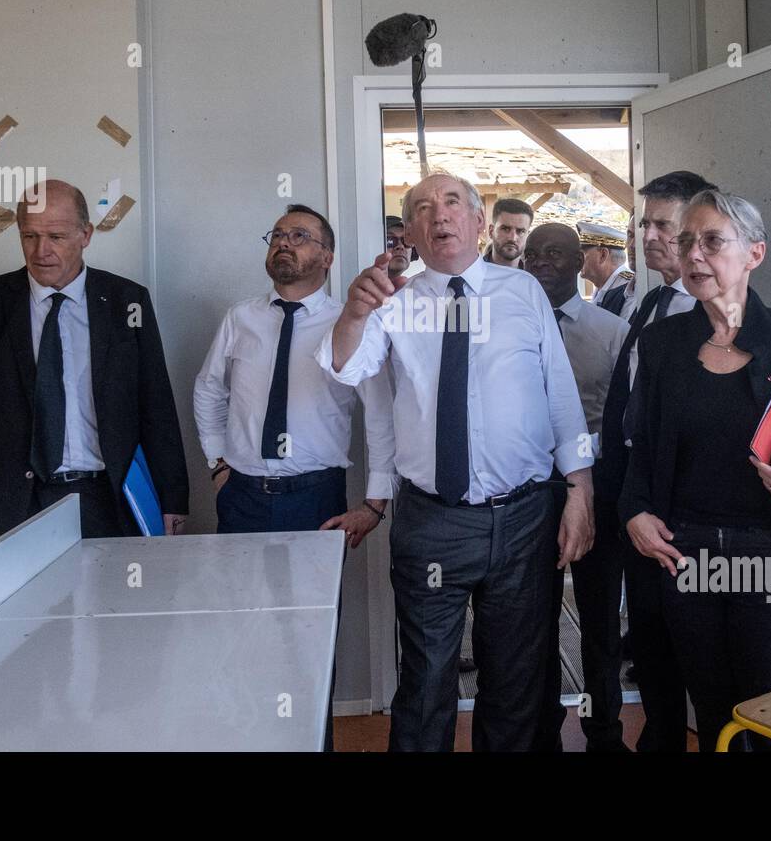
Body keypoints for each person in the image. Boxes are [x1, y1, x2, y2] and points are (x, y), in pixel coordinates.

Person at [319, 171, 595, 752]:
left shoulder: (523, 293)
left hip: (524, 519)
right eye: (422, 207)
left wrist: (580, 491)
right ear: (411, 232)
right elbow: (346, 367)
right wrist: (353, 314)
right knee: (425, 681)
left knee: (515, 683)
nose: (438, 214)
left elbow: (560, 394)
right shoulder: (394, 301)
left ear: (477, 222)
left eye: (451, 203)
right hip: (433, 523)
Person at [618, 188, 771, 751]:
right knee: (715, 719)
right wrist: (634, 511)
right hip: (688, 557)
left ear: (755, 254)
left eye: (712, 241)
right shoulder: (662, 344)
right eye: (686, 242)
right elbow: (642, 447)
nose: (694, 254)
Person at [0, 180, 189, 561]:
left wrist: (173, 499)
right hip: (14, 506)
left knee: (114, 598)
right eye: (30, 236)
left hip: (108, 500)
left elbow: (157, 408)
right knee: (24, 603)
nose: (41, 251)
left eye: (56, 236)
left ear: (86, 235)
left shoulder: (127, 302)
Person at [194, 204, 395, 540]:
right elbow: (210, 388)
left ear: (327, 257)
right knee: (237, 578)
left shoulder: (350, 323)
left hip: (316, 498)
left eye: (299, 236)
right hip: (241, 496)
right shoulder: (240, 318)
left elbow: (380, 412)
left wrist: (375, 503)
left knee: (315, 579)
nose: (283, 243)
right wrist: (217, 462)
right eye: (277, 236)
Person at [606, 170, 716, 751]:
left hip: (694, 509)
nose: (647, 236)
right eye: (643, 224)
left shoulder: (721, 316)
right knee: (649, 639)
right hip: (638, 494)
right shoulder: (651, 302)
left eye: (662, 225)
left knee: (704, 648)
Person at [523, 222, 630, 752]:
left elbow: (624, 416)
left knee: (599, 618)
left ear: (579, 261)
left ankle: (603, 732)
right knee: (532, 620)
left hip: (596, 491)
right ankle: (543, 731)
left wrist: (579, 462)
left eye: (555, 253)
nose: (543, 262)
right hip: (525, 494)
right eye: (533, 254)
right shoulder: (507, 327)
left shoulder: (611, 331)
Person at [579, 221, 633, 315]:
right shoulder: (603, 286)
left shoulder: (629, 289)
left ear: (603, 255)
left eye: (582, 254)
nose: (578, 259)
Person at [483, 197, 533, 268]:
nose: (512, 238)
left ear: (527, 236)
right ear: (491, 231)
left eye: (520, 231)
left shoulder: (534, 274)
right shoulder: (470, 273)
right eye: (505, 229)